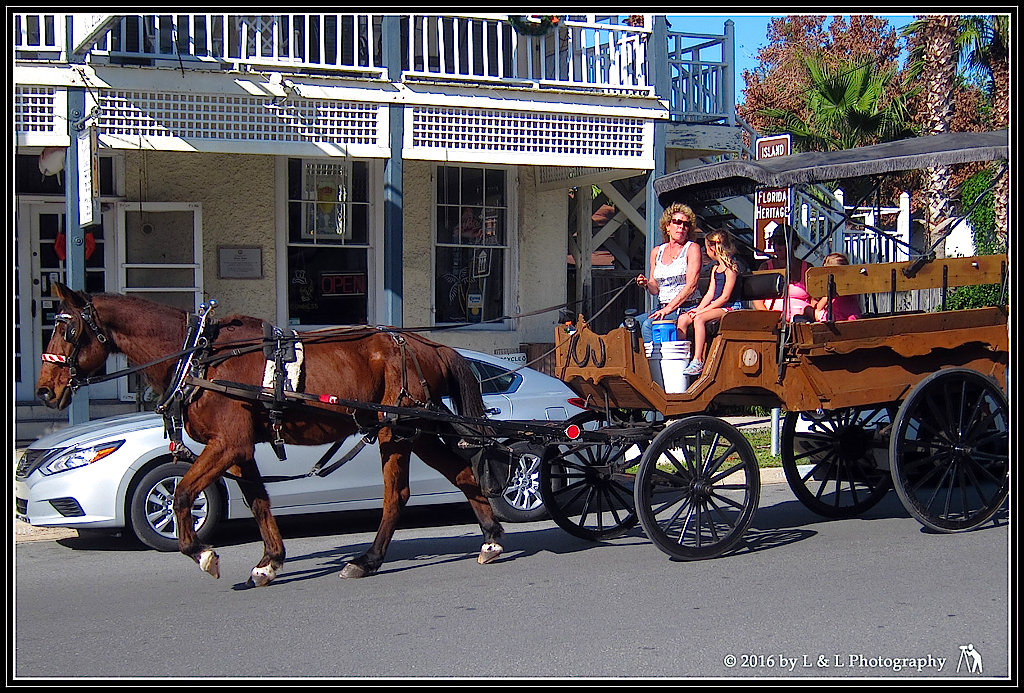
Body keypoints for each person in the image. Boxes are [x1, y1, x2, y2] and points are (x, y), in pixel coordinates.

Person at [634, 203, 703, 342]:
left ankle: (656, 363)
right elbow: (655, 288)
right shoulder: (656, 252)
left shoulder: (692, 248)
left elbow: (691, 286)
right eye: (677, 222)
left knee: (648, 326)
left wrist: (668, 309)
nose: (681, 227)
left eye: (686, 224)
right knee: (628, 326)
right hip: (663, 307)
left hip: (685, 307)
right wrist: (646, 283)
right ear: (667, 226)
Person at [680, 230, 744, 376]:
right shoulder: (715, 269)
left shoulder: (731, 268)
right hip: (715, 305)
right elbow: (710, 293)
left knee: (699, 319)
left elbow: (725, 297)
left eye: (707, 248)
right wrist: (698, 308)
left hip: (730, 307)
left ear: (713, 248)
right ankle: (683, 358)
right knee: (684, 318)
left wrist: (701, 312)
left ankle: (698, 360)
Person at [753, 223, 814, 322]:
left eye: (781, 242)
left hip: (802, 319)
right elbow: (757, 300)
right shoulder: (766, 267)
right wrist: (769, 318)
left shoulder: (807, 268)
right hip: (773, 319)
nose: (777, 246)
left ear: (793, 243)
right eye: (774, 242)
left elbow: (814, 299)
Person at [813, 252, 862, 321]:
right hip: (853, 316)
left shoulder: (831, 288)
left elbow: (819, 307)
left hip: (835, 318)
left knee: (816, 312)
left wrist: (827, 296)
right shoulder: (852, 284)